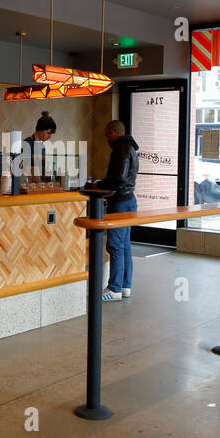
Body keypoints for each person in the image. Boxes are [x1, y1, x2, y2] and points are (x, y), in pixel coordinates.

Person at [98, 120, 138, 302]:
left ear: (114, 132)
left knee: (114, 245)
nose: (106, 138)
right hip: (130, 200)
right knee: (125, 245)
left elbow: (118, 179)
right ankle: (125, 285)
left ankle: (114, 288)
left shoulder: (120, 149)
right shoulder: (131, 148)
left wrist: (99, 185)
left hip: (120, 202)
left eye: (107, 134)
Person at [21, 111, 56, 178]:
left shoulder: (42, 146)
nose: (50, 136)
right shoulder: (27, 143)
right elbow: (22, 168)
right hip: (29, 183)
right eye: (48, 133)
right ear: (40, 130)